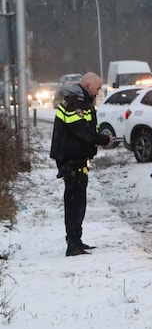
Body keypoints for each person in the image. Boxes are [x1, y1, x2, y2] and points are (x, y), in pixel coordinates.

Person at [50, 72, 114, 256]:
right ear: (87, 86)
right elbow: (82, 132)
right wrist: (104, 140)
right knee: (74, 202)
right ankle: (73, 243)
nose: (98, 92)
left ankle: (76, 239)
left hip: (75, 157)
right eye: (97, 88)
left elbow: (85, 130)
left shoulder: (81, 101)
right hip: (71, 159)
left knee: (78, 201)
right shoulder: (75, 104)